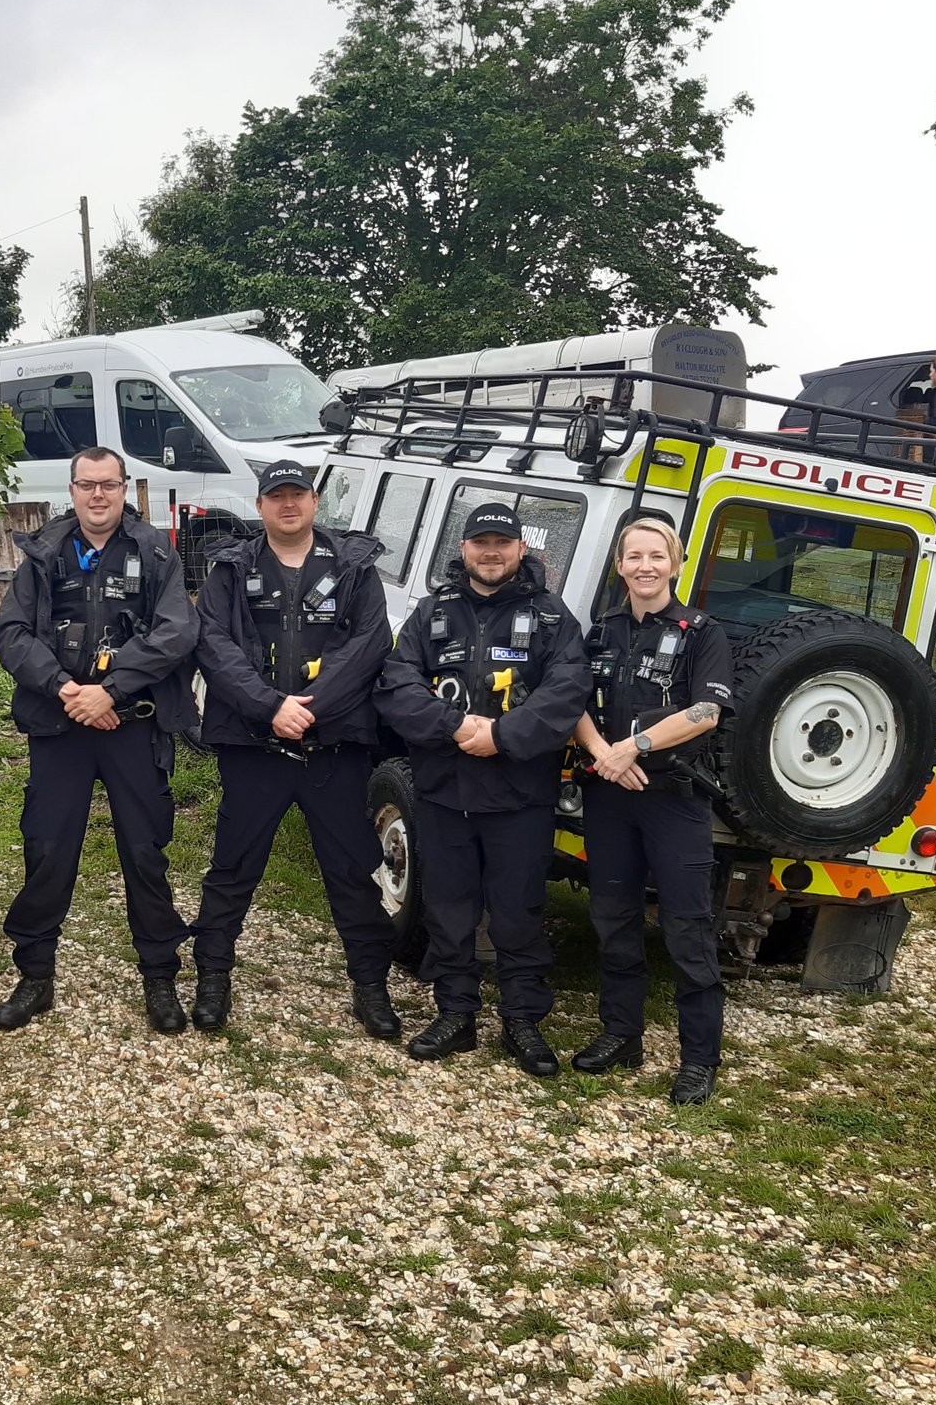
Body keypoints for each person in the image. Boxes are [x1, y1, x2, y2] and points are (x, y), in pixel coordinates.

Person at [374, 504, 589, 1077]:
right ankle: (456, 1015)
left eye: (502, 543)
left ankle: (523, 1021)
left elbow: (568, 689)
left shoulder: (550, 618)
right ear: (463, 549)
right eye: (480, 542)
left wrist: (502, 735)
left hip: (519, 795)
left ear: (522, 550)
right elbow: (396, 682)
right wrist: (455, 727)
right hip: (445, 792)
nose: (490, 553)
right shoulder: (431, 614)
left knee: (518, 913)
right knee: (447, 910)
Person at [188, 459, 399, 1038]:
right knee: (232, 867)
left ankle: (371, 987)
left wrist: (308, 707)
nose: (288, 504)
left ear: (314, 501)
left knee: (354, 870)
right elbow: (214, 643)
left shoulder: (354, 566)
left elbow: (369, 644)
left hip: (333, 747)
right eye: (276, 496)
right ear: (260, 506)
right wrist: (268, 707)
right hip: (254, 747)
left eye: (298, 494)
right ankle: (212, 978)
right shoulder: (230, 568)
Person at [0, 446, 196, 1034]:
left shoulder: (156, 551)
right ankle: (34, 976)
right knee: (48, 849)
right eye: (87, 485)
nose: (98, 495)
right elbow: (11, 634)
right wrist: (66, 689)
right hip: (60, 726)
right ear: (73, 488)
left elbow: (176, 631)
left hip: (132, 726)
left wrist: (112, 691)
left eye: (109, 485)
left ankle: (159, 976)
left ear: (124, 486)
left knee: (145, 852)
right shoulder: (44, 552)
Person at [570, 516, 736, 1106]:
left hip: (673, 801)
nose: (645, 566)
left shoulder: (701, 633)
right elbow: (572, 700)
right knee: (613, 919)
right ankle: (621, 1034)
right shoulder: (601, 631)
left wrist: (633, 747)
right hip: (610, 796)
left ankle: (698, 1061)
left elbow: (707, 711)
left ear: (677, 563)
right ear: (620, 566)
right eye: (634, 556)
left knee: (687, 930)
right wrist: (603, 755)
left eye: (656, 556)